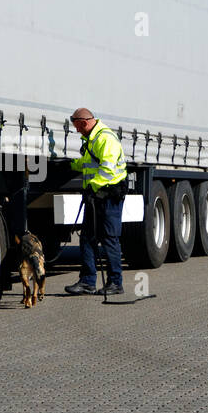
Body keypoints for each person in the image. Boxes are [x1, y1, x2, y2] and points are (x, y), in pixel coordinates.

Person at [64, 108, 127, 296]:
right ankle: (87, 282)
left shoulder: (105, 139)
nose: (76, 131)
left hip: (108, 196)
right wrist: (68, 164)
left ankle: (115, 283)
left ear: (84, 123)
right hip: (96, 197)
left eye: (77, 127)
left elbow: (107, 169)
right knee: (87, 238)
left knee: (109, 239)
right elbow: (88, 162)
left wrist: (93, 186)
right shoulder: (92, 139)